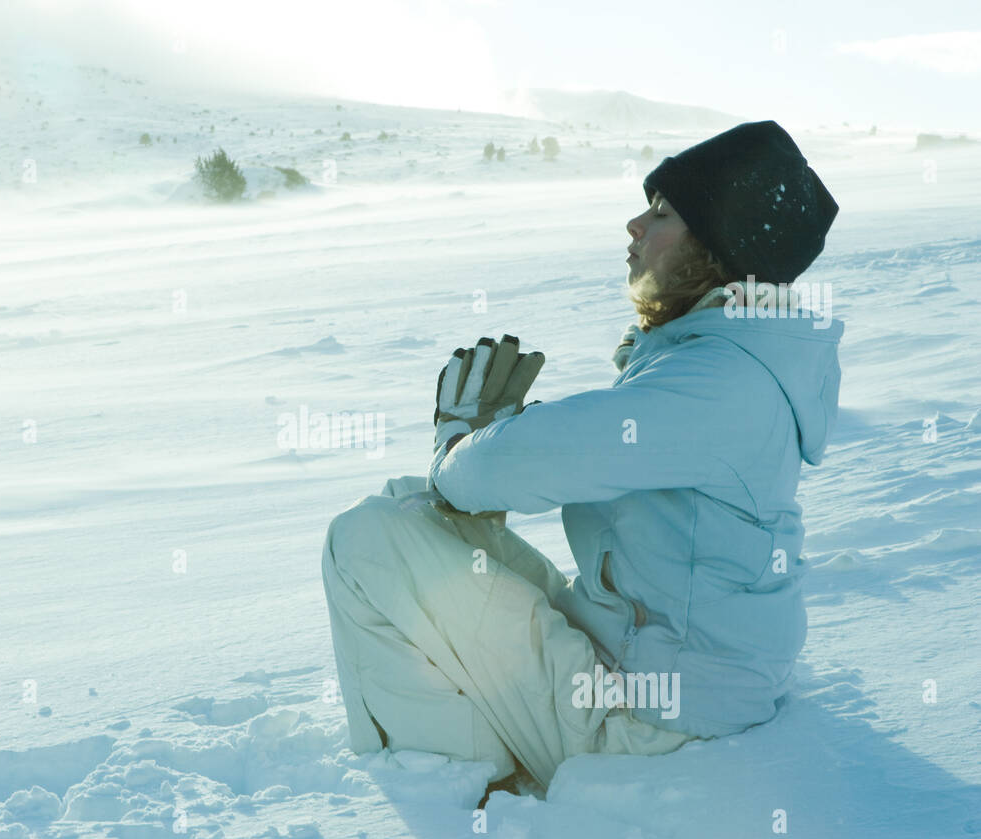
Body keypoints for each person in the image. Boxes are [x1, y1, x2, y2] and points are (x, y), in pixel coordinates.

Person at [320, 120, 842, 803]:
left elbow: (519, 463)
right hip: (656, 670)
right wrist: (474, 471)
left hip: (649, 724)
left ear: (717, 250)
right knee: (414, 507)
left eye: (661, 214)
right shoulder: (724, 359)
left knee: (364, 540)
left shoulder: (717, 383)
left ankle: (462, 773)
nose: (634, 225)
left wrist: (465, 446)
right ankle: (490, 724)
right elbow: (516, 468)